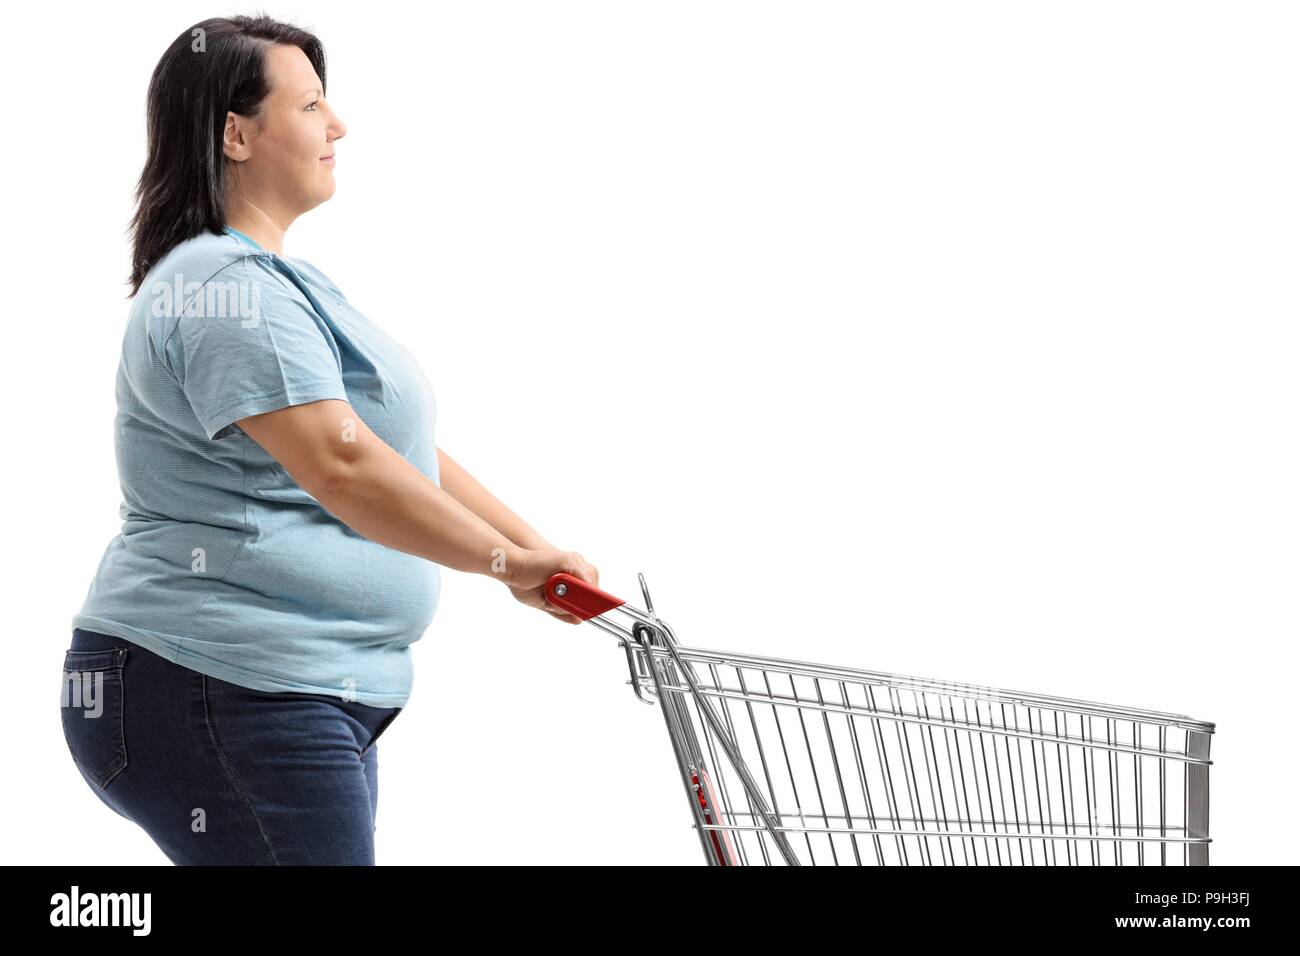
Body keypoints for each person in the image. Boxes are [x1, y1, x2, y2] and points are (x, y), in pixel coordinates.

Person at [61, 14, 598, 865]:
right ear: (236, 134)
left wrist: (530, 552)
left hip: (292, 689)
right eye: (311, 106)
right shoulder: (225, 288)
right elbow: (341, 468)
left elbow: (389, 449)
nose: (338, 126)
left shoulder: (284, 282)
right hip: (224, 684)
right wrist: (504, 565)